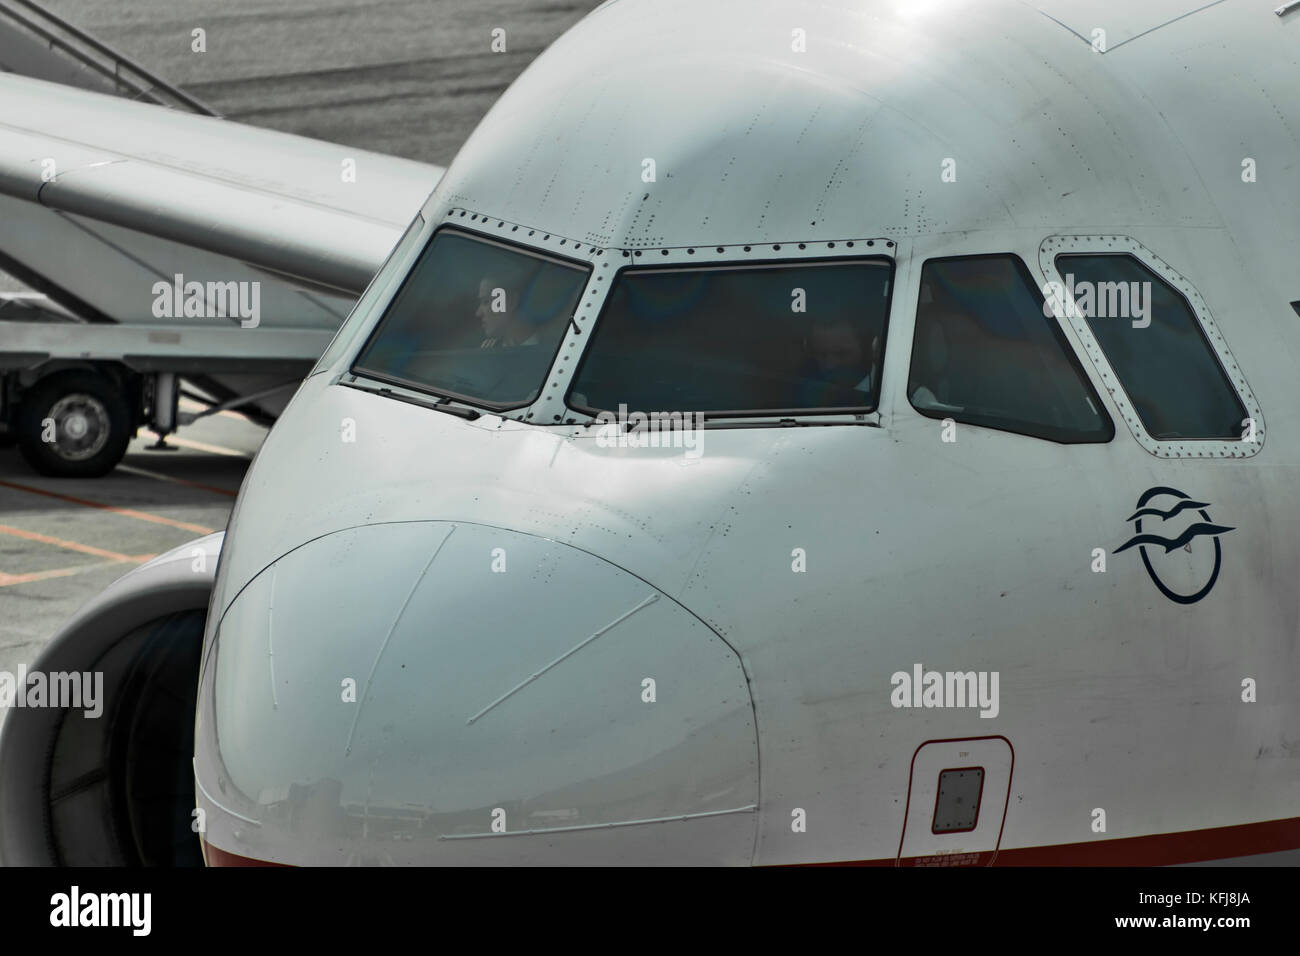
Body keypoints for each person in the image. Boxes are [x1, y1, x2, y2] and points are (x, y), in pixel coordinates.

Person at [795, 318, 879, 408]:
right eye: (821, 354)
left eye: (841, 354)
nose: (830, 365)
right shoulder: (805, 392)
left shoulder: (887, 389)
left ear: (867, 349)